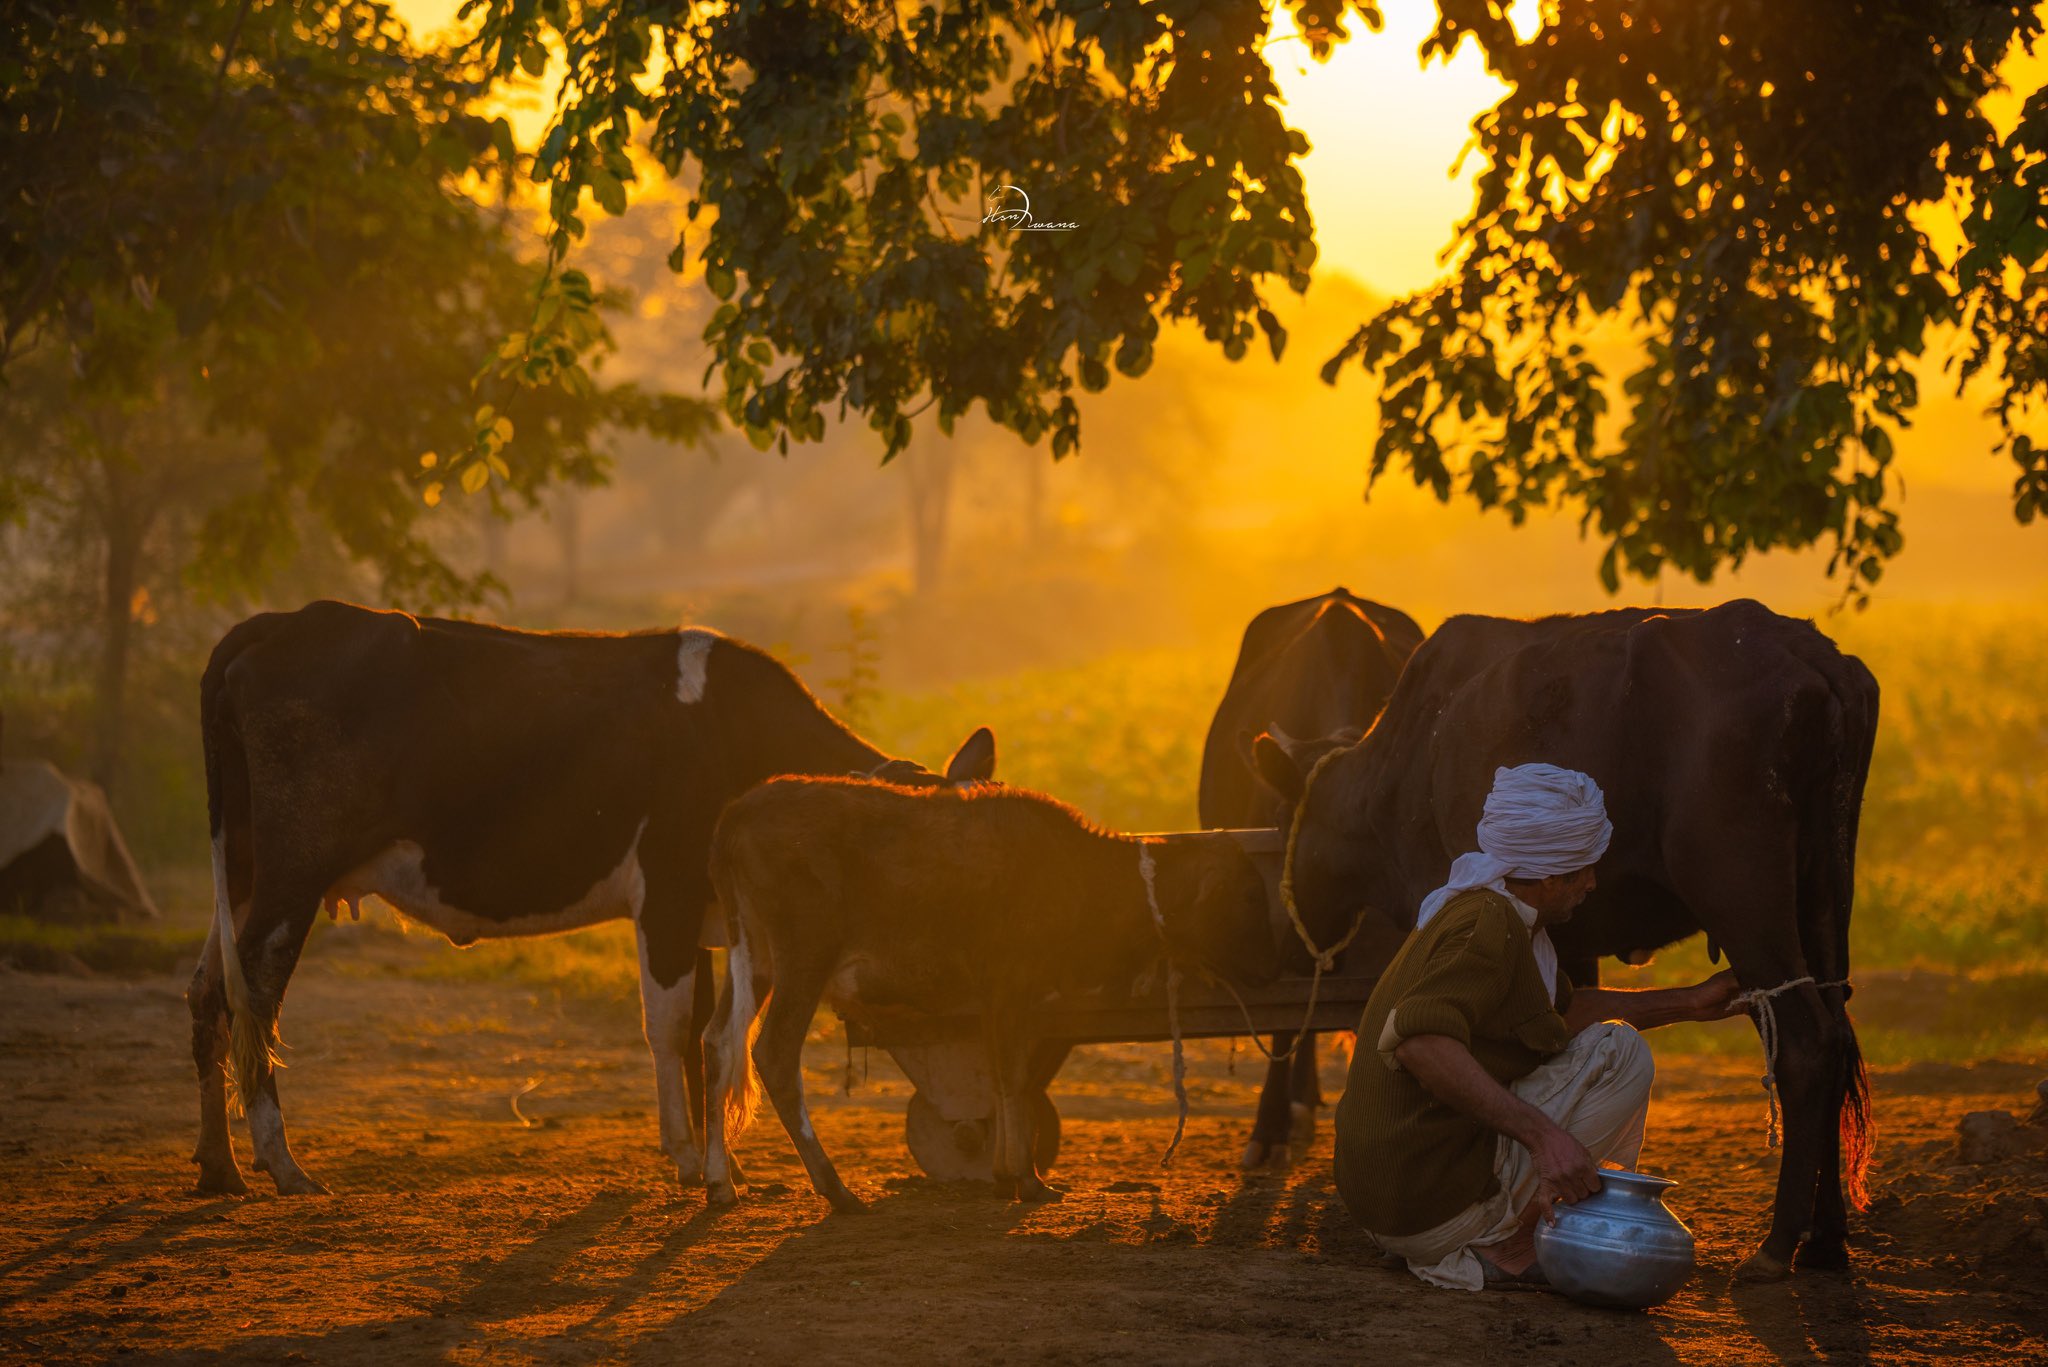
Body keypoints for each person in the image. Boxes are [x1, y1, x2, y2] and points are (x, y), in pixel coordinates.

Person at [1332, 762, 1742, 1291]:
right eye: (1583, 870)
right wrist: (1543, 1138)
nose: (1592, 883)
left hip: (1397, 1206)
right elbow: (1421, 1043)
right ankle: (1511, 1248)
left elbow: (1559, 1017)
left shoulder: (1492, 911)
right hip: (1423, 1205)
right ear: (1549, 876)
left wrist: (1691, 1002)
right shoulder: (1489, 924)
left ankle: (1459, 1232)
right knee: (1619, 1051)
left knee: (1606, 1037)